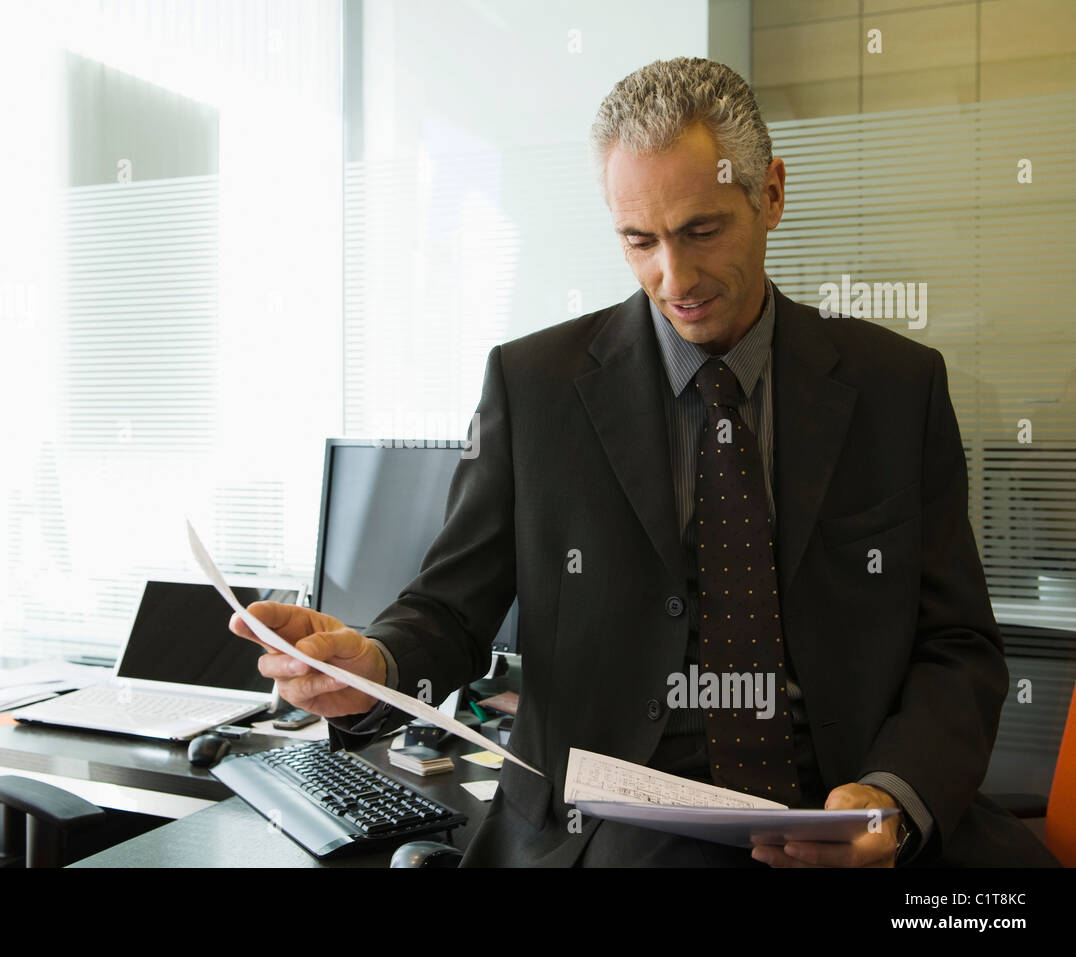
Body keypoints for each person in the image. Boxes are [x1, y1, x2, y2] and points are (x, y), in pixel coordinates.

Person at [229, 57, 1058, 867]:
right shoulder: (534, 386)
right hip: (615, 822)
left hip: (848, 810)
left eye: (703, 230)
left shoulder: (896, 386)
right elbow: (451, 608)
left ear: (770, 193)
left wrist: (893, 799)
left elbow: (958, 645)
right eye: (640, 241)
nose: (676, 276)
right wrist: (374, 664)